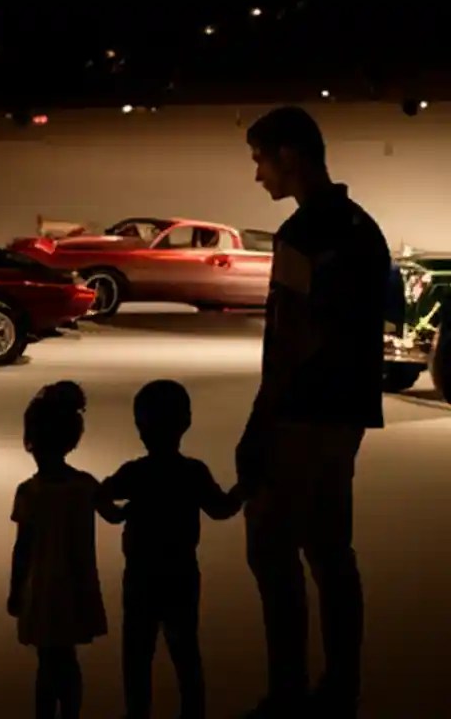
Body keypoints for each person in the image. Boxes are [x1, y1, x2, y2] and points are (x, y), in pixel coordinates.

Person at [236, 106, 391, 718]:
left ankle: (289, 691)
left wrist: (257, 427)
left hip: (299, 416)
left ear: (290, 156)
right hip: (347, 414)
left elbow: (292, 339)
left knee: (271, 551)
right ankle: (341, 688)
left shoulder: (299, 236)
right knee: (331, 552)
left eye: (260, 160)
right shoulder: (364, 228)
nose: (257, 176)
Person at [99, 380, 244, 719]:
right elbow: (221, 508)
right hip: (181, 570)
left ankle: (138, 712)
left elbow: (102, 496)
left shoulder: (134, 473)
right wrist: (244, 488)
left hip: (140, 572)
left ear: (139, 427)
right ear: (186, 422)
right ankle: (193, 712)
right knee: (185, 650)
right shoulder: (193, 472)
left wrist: (117, 514)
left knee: (137, 651)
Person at [7, 381, 122, 718]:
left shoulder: (29, 492)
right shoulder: (85, 486)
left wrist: (15, 591)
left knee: (48, 662)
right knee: (67, 659)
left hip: (42, 588)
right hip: (77, 584)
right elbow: (115, 515)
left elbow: (23, 548)